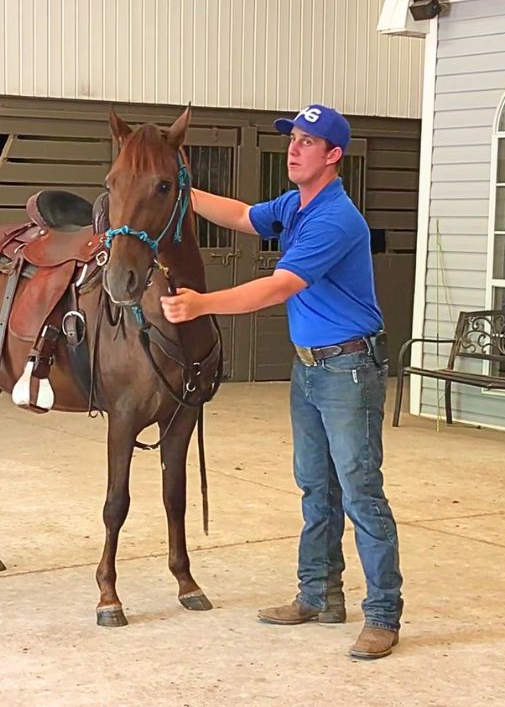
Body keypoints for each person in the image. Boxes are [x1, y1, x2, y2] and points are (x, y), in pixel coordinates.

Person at [160, 104, 403, 660]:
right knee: (316, 486)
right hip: (310, 367)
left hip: (348, 370)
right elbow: (243, 215)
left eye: (307, 141)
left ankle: (383, 614)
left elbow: (278, 286)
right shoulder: (295, 205)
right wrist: (177, 187)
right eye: (292, 138)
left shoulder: (335, 219)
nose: (293, 149)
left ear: (334, 155)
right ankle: (318, 595)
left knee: (360, 492)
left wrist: (201, 304)